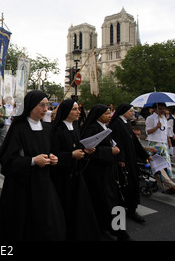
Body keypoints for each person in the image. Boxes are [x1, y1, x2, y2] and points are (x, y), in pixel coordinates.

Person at [0, 90, 65, 241]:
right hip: (21, 188)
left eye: (47, 105)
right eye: (41, 105)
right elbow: (7, 159)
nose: (46, 109)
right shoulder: (19, 128)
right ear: (31, 106)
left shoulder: (47, 129)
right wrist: (32, 161)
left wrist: (53, 158)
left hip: (43, 185)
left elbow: (50, 151)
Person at [50, 99, 101, 241]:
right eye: (75, 109)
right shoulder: (57, 130)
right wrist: (71, 155)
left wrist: (85, 150)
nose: (79, 112)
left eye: (78, 109)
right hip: (62, 178)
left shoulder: (75, 127)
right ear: (66, 111)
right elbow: (53, 153)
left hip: (76, 175)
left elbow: (77, 147)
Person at [80, 104, 130, 240]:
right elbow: (89, 150)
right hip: (98, 173)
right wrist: (110, 151)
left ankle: (114, 228)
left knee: (112, 200)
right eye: (107, 113)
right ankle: (119, 232)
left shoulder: (104, 127)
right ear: (98, 115)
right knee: (107, 202)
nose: (110, 115)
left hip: (108, 171)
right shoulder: (92, 129)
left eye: (110, 113)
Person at [109, 103, 151, 223]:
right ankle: (124, 210)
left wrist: (145, 154)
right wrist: (121, 159)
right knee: (125, 185)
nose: (133, 113)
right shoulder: (116, 123)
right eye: (131, 111)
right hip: (123, 160)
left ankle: (132, 208)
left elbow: (135, 142)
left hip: (131, 158)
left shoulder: (126, 123)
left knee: (133, 183)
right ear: (123, 111)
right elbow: (116, 142)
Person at [145, 103, 175, 197]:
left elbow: (166, 131)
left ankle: (169, 187)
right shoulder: (150, 118)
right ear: (155, 109)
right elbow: (147, 132)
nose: (162, 110)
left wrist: (169, 140)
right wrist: (156, 127)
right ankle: (172, 187)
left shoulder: (164, 118)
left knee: (167, 166)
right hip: (154, 143)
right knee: (158, 167)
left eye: (163, 109)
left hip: (163, 144)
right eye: (160, 108)